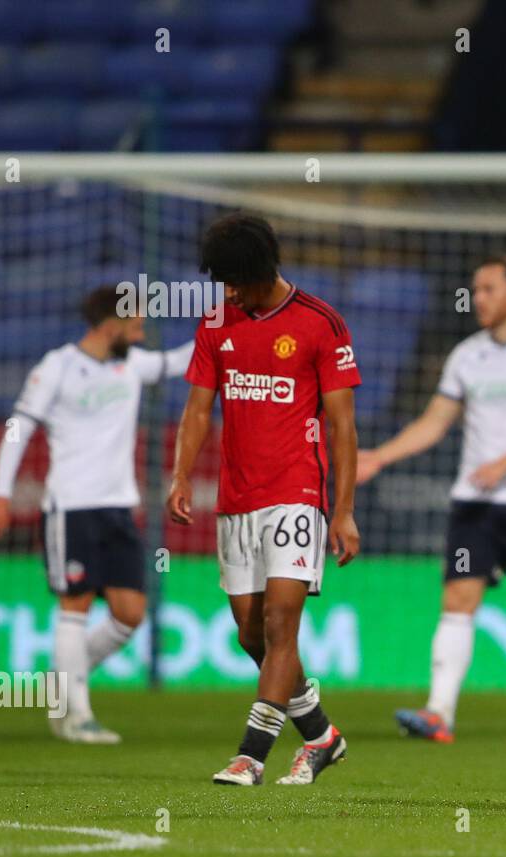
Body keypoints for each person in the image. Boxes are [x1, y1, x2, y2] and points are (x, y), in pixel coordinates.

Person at [167, 212, 361, 785]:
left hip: (295, 494)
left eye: (235, 280)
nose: (229, 291)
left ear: (262, 270)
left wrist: (342, 510)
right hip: (236, 500)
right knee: (251, 635)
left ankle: (250, 755)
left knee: (281, 626)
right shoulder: (215, 323)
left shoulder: (319, 323)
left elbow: (343, 426)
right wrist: (181, 476)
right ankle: (323, 736)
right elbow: (198, 409)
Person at [357, 254, 506, 744]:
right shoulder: (466, 356)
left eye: (490, 288)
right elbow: (434, 422)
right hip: (474, 503)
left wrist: (505, 464)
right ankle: (439, 713)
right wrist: (380, 457)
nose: (480, 299)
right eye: (476, 290)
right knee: (458, 600)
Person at [0, 286, 193, 743]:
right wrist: (1, 494)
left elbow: (179, 362)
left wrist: (228, 328)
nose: (141, 333)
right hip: (70, 506)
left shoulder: (131, 365)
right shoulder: (57, 366)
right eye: (135, 324)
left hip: (118, 506)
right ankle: (74, 713)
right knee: (75, 604)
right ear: (110, 324)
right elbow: (20, 427)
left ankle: (62, 682)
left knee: (130, 613)